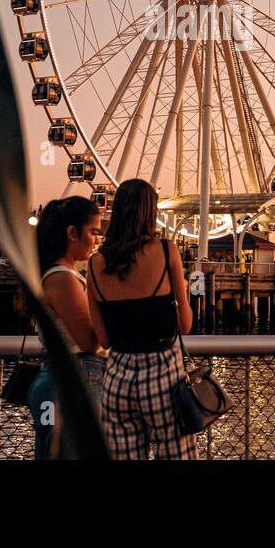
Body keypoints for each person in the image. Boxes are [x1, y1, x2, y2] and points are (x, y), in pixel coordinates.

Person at [86, 178, 195, 459]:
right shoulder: (165, 250)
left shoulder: (95, 264)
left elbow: (104, 339)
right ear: (151, 212)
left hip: (117, 379)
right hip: (162, 376)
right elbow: (184, 325)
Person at [26, 195, 104, 460]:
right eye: (93, 232)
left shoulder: (59, 273)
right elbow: (90, 341)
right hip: (74, 378)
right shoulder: (62, 278)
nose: (96, 240)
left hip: (62, 378)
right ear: (72, 232)